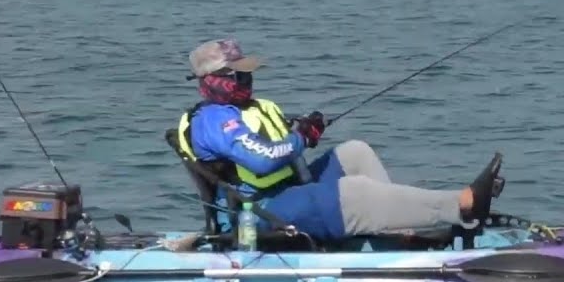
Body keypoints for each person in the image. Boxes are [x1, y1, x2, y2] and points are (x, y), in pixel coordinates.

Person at [171, 37, 503, 241]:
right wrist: (301, 137)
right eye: (236, 74)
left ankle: (401, 230)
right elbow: (264, 158)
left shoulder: (248, 108)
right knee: (355, 192)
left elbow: (277, 141)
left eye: (246, 71)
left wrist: (304, 127)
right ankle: (462, 204)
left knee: (355, 152)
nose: (246, 78)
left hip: (287, 191)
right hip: (258, 212)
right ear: (212, 80)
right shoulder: (213, 120)